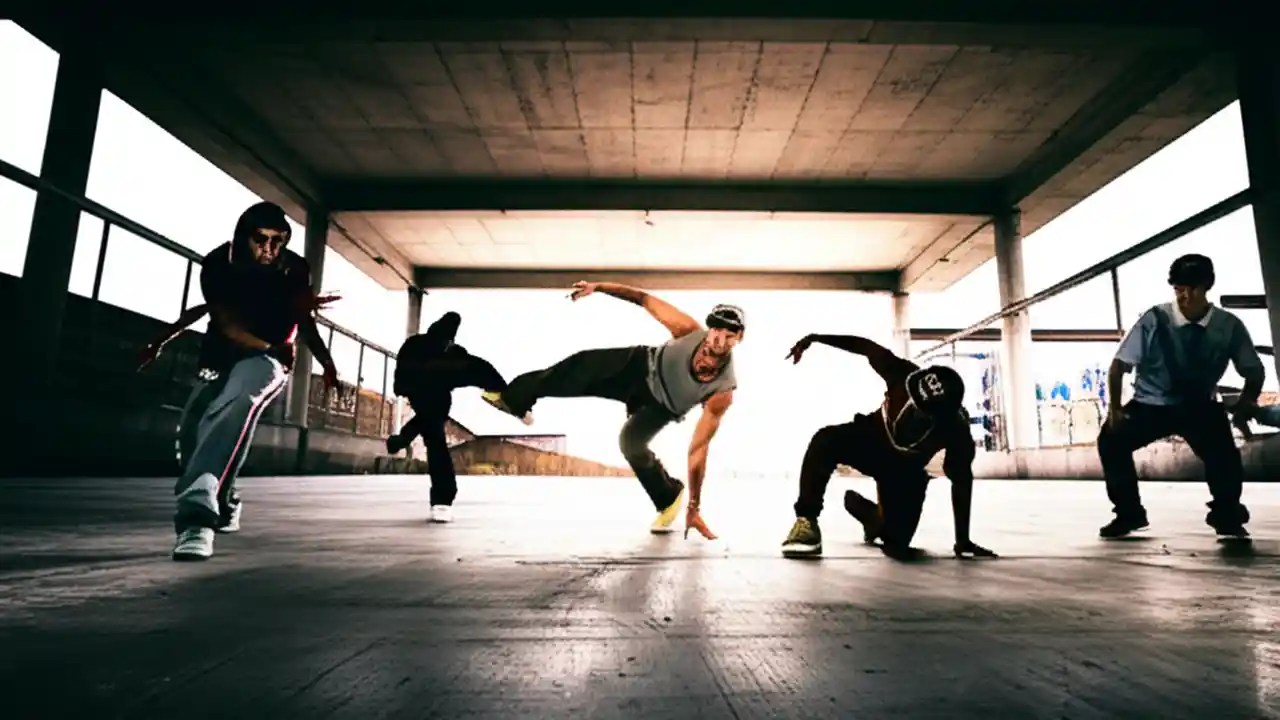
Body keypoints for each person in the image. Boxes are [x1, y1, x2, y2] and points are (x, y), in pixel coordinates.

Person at [481, 281, 741, 539]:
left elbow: (698, 449)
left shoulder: (722, 391)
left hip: (659, 407)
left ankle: (668, 495)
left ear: (739, 338)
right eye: (715, 330)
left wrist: (694, 507)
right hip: (638, 366)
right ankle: (515, 399)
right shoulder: (687, 330)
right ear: (709, 329)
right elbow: (642, 298)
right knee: (581, 366)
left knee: (630, 444)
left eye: (729, 334)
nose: (719, 339)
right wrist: (599, 287)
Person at [172, 201, 340, 561]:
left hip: (269, 359)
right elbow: (227, 324)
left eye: (278, 240)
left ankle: (196, 519)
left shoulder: (294, 268)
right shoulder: (218, 263)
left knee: (240, 398)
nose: (270, 250)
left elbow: (303, 320)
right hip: (223, 355)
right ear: (244, 237)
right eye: (261, 240)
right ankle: (226, 498)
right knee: (196, 432)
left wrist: (326, 363)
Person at [779, 333, 996, 560]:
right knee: (825, 439)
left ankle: (872, 517)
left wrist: (963, 540)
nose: (911, 408)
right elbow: (865, 346)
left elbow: (961, 481)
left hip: (905, 470)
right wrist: (816, 338)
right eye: (911, 399)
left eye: (919, 413)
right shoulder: (902, 372)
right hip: (870, 439)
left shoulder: (955, 430)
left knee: (897, 543)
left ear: (937, 418)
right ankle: (806, 522)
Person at [1097, 254, 1264, 540]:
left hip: (1199, 406)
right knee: (1111, 440)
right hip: (1151, 405)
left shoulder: (1228, 326)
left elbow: (1254, 369)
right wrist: (1114, 409)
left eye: (1191, 288)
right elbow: (1118, 366)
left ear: (1207, 286)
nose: (1184, 295)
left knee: (1224, 456)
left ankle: (1226, 514)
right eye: (1178, 289)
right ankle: (1129, 513)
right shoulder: (1155, 319)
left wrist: (1247, 402)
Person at [386, 311, 508, 523]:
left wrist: (401, 387)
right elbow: (480, 369)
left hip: (424, 396)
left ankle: (402, 440)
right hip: (436, 397)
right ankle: (442, 499)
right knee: (435, 438)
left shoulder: (416, 345)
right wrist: (506, 393)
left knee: (429, 424)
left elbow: (402, 367)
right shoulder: (451, 353)